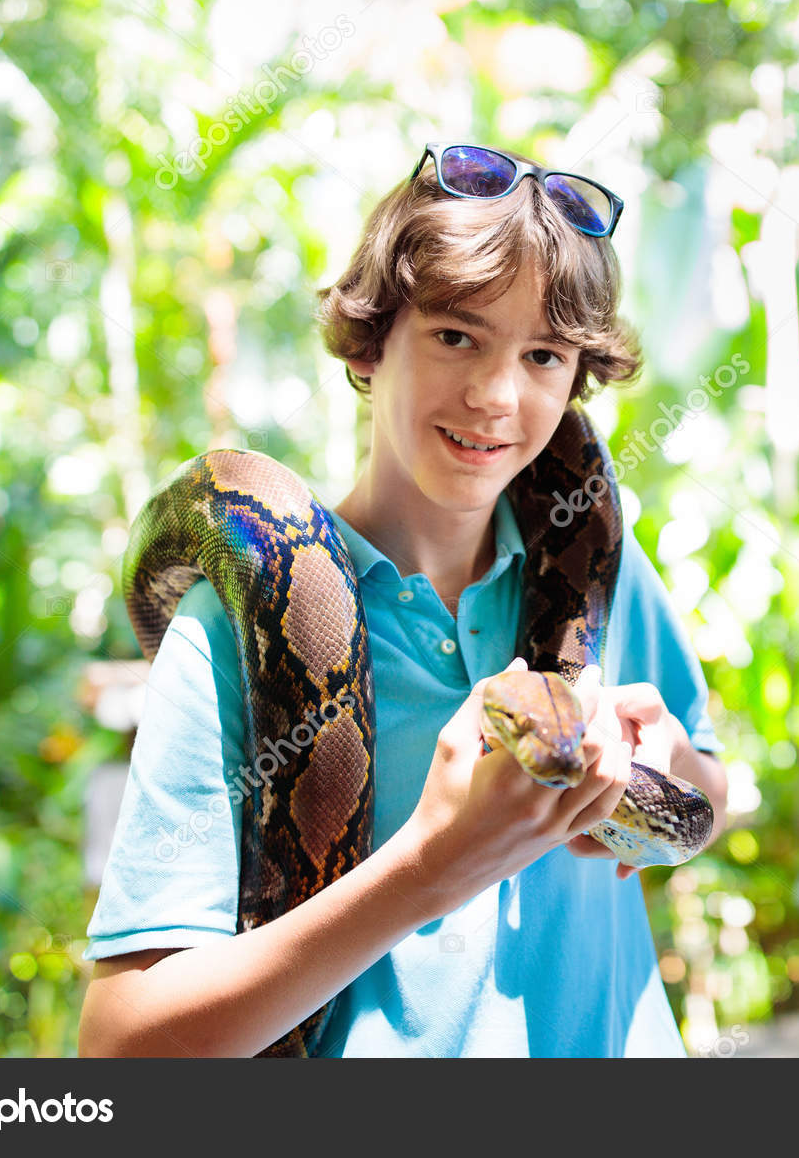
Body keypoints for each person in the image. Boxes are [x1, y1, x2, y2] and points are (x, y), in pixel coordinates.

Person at [77, 141, 728, 1057]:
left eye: (544, 355)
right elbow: (122, 1052)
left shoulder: (607, 572)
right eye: (456, 334)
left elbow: (702, 798)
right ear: (374, 339)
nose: (497, 395)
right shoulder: (224, 633)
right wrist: (433, 864)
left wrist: (665, 776)